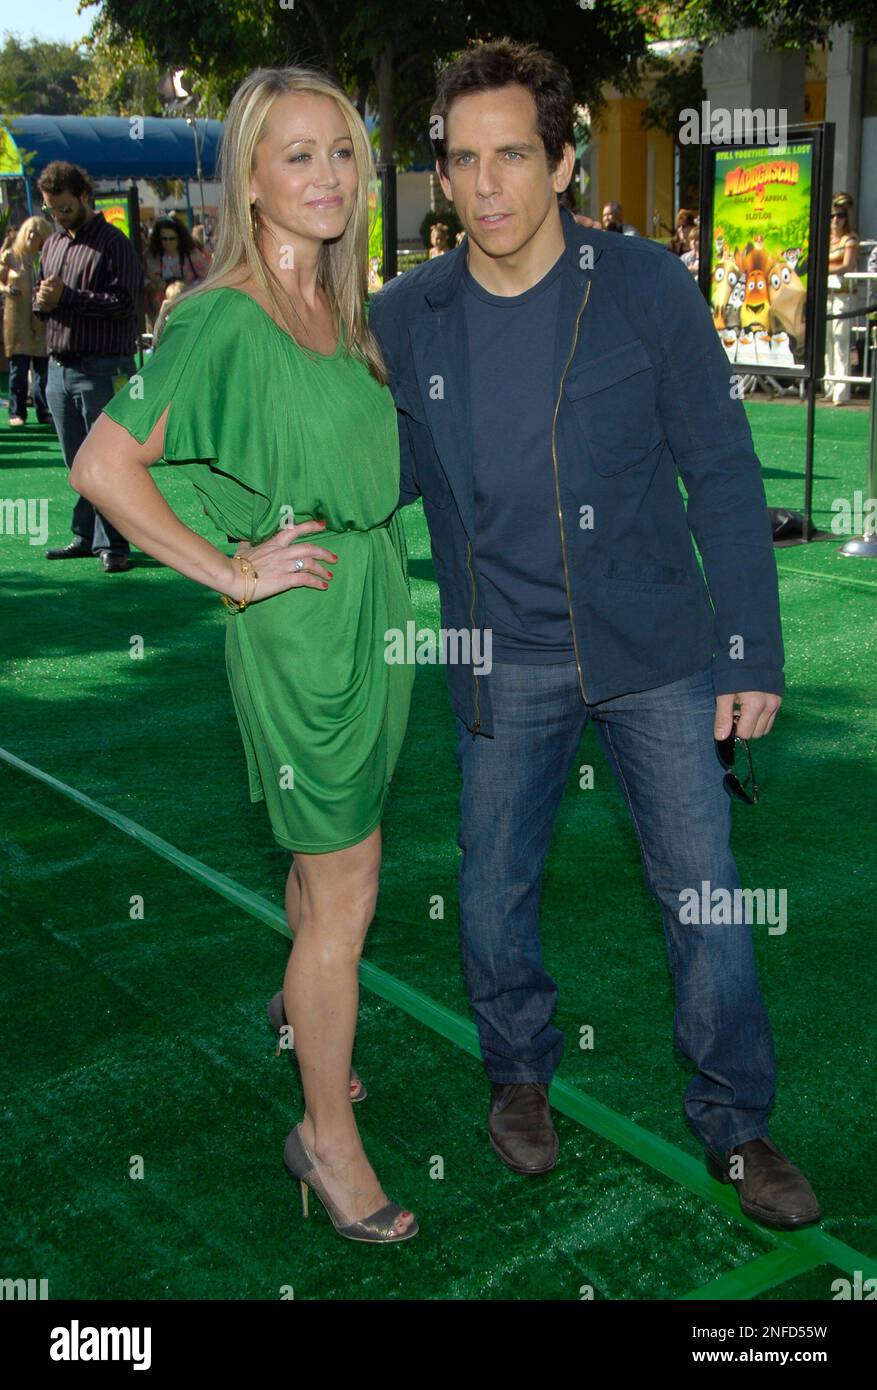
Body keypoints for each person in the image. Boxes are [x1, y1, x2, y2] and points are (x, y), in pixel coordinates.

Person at [370, 36, 820, 1231]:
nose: (485, 185)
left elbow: (722, 472)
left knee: (705, 895)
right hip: (498, 653)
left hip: (654, 651)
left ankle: (736, 1120)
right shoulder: (406, 316)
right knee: (490, 892)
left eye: (512, 154)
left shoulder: (643, 287)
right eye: (462, 160)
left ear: (564, 162)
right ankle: (519, 1077)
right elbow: (375, 475)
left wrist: (750, 651)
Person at [69, 65, 418, 1245]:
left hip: (374, 601)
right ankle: (325, 1135)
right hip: (301, 622)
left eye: (340, 152)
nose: (325, 176)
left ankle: (297, 1002)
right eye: (296, 156)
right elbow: (103, 468)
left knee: (335, 869)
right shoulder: (221, 316)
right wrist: (230, 568)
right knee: (351, 886)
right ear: (251, 184)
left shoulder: (350, 308)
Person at [34, 160, 145, 573]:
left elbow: (126, 306)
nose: (58, 216)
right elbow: (44, 301)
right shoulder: (53, 245)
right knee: (76, 461)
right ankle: (85, 536)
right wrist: (42, 304)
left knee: (108, 459)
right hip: (59, 368)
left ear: (84, 198)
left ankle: (115, 543)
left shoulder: (115, 243)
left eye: (63, 208)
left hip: (104, 367)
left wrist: (68, 298)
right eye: (50, 210)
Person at [0, 216, 54, 425]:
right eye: (30, 232)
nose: (33, 236)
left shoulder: (46, 258)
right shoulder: (11, 256)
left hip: (40, 321)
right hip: (17, 319)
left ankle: (43, 410)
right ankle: (17, 411)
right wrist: (6, 290)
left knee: (42, 371)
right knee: (18, 370)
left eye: (38, 233)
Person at [143, 217, 211, 331]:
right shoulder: (150, 257)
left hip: (188, 314)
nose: (168, 242)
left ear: (180, 238)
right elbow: (141, 280)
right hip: (158, 317)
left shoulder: (192, 255)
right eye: (164, 239)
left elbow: (208, 278)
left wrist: (186, 288)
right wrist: (154, 285)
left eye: (172, 238)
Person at [824, 192, 860, 406]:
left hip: (843, 295)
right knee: (827, 341)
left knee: (840, 340)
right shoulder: (826, 240)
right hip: (826, 295)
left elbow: (847, 265)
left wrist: (823, 270)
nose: (836, 220)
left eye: (840, 216)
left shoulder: (850, 239)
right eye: (832, 216)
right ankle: (829, 386)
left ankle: (841, 390)